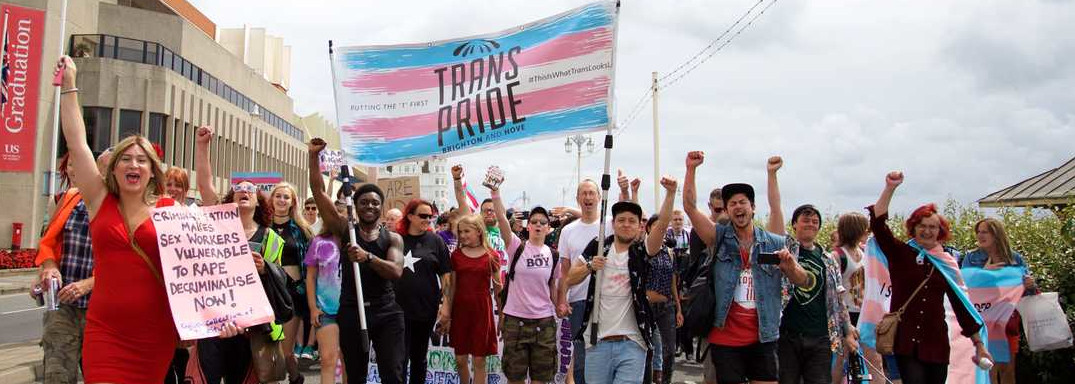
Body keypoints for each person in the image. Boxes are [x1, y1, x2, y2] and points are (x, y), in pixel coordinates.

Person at [57, 55, 246, 383]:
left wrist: (226, 315)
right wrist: (69, 85)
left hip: (153, 336)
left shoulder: (171, 211)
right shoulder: (100, 201)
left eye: (142, 160)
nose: (134, 165)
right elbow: (77, 142)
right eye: (126, 159)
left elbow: (212, 261)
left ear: (152, 171)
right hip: (104, 332)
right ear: (114, 168)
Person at [682, 151, 809, 384]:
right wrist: (691, 170)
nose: (738, 207)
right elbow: (690, 207)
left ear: (752, 207)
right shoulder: (718, 238)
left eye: (743, 202)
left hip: (764, 335)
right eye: (732, 204)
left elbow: (805, 281)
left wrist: (791, 267)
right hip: (725, 338)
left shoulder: (773, 242)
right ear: (727, 210)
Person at [869, 171, 990, 384]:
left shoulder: (947, 264)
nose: (927, 231)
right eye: (922, 226)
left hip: (936, 343)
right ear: (913, 228)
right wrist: (890, 188)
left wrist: (979, 344)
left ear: (940, 231)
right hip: (906, 342)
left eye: (932, 227)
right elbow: (878, 224)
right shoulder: (901, 254)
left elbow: (961, 305)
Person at [308, 138, 406, 384]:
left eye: (375, 203)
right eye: (364, 202)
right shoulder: (345, 229)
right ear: (356, 207)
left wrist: (367, 257)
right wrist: (313, 157)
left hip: (386, 313)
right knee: (355, 375)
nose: (369, 206)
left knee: (392, 374)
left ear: (381, 208)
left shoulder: (392, 238)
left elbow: (395, 271)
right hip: (352, 310)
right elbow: (319, 193)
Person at [195, 126, 288, 383]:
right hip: (215, 323)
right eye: (239, 188)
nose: (244, 190)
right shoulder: (218, 222)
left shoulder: (271, 238)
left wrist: (265, 269)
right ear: (231, 197)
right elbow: (204, 184)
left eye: (250, 189)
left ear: (258, 202)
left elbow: (281, 281)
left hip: (251, 329)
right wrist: (202, 146)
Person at [570, 176, 677, 384]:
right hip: (597, 342)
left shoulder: (642, 251)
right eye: (621, 220)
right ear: (613, 223)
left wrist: (671, 194)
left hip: (632, 344)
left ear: (640, 227)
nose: (626, 225)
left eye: (632, 221)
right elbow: (570, 278)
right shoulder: (599, 247)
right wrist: (590, 266)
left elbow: (662, 225)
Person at [34, 151, 109, 384]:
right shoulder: (67, 199)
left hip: (103, 311)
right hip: (63, 308)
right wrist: (48, 268)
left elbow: (125, 265)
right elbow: (48, 243)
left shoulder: (124, 207)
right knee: (57, 376)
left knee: (101, 376)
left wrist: (89, 284)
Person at [485, 169, 560, 384]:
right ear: (527, 227)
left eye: (542, 222)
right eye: (534, 222)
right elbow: (501, 219)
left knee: (541, 379)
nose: (537, 225)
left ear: (548, 228)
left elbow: (553, 288)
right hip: (515, 321)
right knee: (515, 378)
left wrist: (561, 305)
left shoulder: (553, 255)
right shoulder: (516, 247)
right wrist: (495, 193)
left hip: (544, 322)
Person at [960, 218, 1038, 384]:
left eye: (984, 232)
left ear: (996, 234)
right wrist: (983, 274)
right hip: (982, 321)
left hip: (1007, 320)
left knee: (1007, 369)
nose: (980, 235)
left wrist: (1029, 285)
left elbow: (1026, 292)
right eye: (978, 232)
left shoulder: (1015, 259)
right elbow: (963, 288)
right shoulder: (971, 258)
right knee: (987, 369)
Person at [555, 179, 612, 384]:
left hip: (607, 300)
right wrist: (562, 299)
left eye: (591, 193)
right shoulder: (568, 231)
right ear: (578, 198)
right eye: (584, 193)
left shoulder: (610, 225)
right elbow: (564, 269)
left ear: (599, 197)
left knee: (604, 355)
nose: (588, 197)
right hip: (578, 301)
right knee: (579, 357)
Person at [394, 198, 453, 384]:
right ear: (410, 216)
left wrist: (446, 307)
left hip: (425, 310)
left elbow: (446, 277)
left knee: (419, 358)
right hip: (397, 310)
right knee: (399, 360)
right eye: (423, 215)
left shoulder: (436, 241)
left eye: (430, 216)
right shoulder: (396, 240)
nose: (428, 219)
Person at [446, 214, 503, 384]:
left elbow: (498, 288)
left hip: (482, 313)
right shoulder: (455, 255)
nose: (462, 235)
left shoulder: (491, 255)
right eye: (460, 231)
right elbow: (452, 287)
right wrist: (447, 312)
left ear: (479, 231)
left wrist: (502, 315)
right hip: (460, 313)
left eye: (467, 231)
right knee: (460, 360)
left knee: (479, 361)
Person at [268, 182, 315, 381]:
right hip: (266, 292)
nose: (281, 200)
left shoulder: (302, 231)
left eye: (286, 197)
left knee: (284, 349)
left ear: (293, 202)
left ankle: (293, 377)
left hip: (292, 295)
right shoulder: (260, 226)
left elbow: (312, 268)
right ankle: (295, 378)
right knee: (267, 346)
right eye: (278, 196)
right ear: (271, 199)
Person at [305, 199, 348, 384]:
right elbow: (311, 277)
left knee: (350, 363)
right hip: (326, 311)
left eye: (344, 216)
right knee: (328, 361)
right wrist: (313, 308)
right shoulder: (319, 242)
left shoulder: (357, 241)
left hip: (352, 310)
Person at [830, 212, 873, 384]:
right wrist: (844, 323)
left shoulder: (863, 252)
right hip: (845, 313)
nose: (867, 231)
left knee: (873, 358)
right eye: (864, 227)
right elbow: (834, 291)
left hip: (863, 313)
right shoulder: (837, 256)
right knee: (841, 360)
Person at [645, 213, 684, 384]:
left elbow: (673, 281)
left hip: (666, 306)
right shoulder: (643, 250)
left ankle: (666, 380)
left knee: (669, 349)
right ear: (649, 229)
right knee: (647, 348)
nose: (660, 231)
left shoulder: (670, 252)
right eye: (656, 227)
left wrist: (678, 308)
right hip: (647, 306)